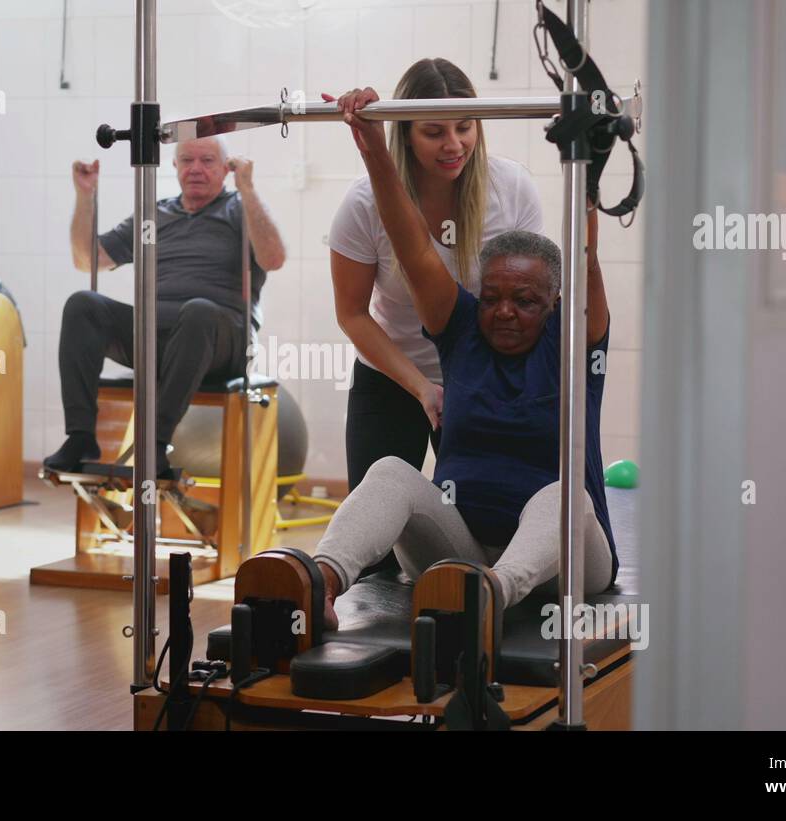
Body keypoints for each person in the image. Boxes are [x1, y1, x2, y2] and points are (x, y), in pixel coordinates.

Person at [313, 90, 617, 630]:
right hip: (464, 558)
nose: (503, 312)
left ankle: (493, 596)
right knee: (390, 472)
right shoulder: (460, 332)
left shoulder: (571, 343)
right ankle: (316, 583)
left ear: (555, 304)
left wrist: (587, 173)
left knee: (564, 493)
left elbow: (586, 260)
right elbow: (414, 249)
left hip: (565, 562)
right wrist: (374, 150)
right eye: (492, 296)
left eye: (524, 301)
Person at [327, 59, 543, 496]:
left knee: (478, 527)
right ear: (404, 132)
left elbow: (532, 301)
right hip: (391, 378)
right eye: (434, 132)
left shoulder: (512, 188)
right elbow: (351, 314)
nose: (453, 144)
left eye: (465, 127)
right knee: (375, 539)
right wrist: (422, 387)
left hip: (482, 375)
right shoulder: (364, 203)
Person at [45, 136, 287, 476]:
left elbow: (274, 258)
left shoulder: (239, 209)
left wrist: (247, 188)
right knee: (83, 305)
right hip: (156, 339)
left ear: (225, 167)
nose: (196, 169)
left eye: (207, 161)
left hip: (222, 340)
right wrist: (85, 196)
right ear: (174, 166)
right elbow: (87, 260)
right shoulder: (155, 214)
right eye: (187, 160)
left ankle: (154, 445)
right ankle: (80, 435)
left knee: (198, 311)